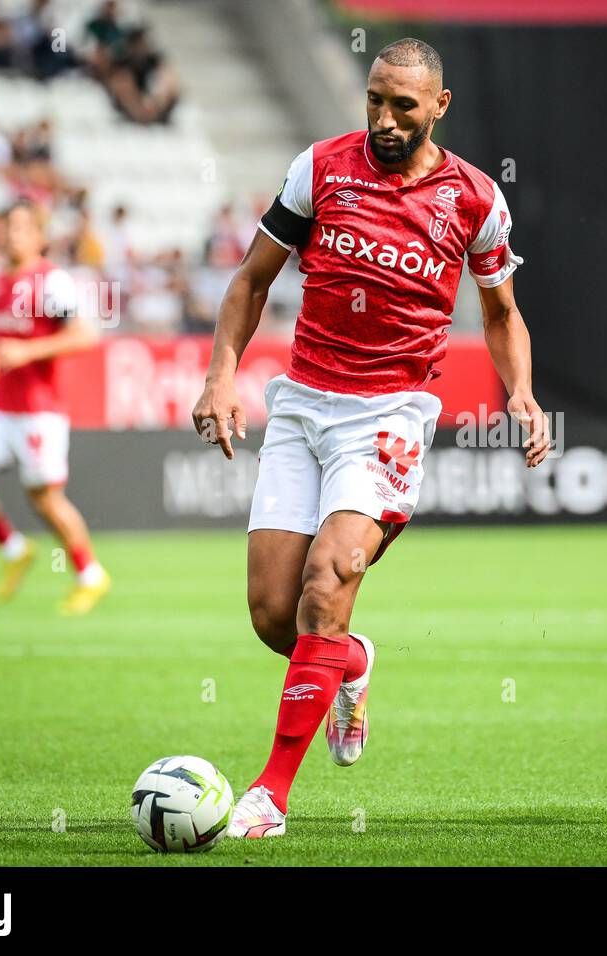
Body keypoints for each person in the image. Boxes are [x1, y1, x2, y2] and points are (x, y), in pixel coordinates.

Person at [191, 38, 549, 839]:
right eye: (375, 101)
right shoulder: (319, 168)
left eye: (404, 106)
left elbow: (500, 314)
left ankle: (269, 796)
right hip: (302, 403)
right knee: (273, 615)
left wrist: (521, 391)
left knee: (327, 587)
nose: (385, 119)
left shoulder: (476, 201)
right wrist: (220, 374)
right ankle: (351, 663)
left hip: (390, 413)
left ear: (440, 107)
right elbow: (251, 280)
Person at [0, 201, 110, 614]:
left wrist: (27, 352)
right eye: (8, 226)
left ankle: (90, 574)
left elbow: (85, 335)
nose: (12, 234)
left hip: (40, 409)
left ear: (40, 237)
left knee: (44, 499)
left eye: (22, 227)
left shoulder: (51, 283)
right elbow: (2, 337)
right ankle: (14, 547)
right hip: (0, 405)